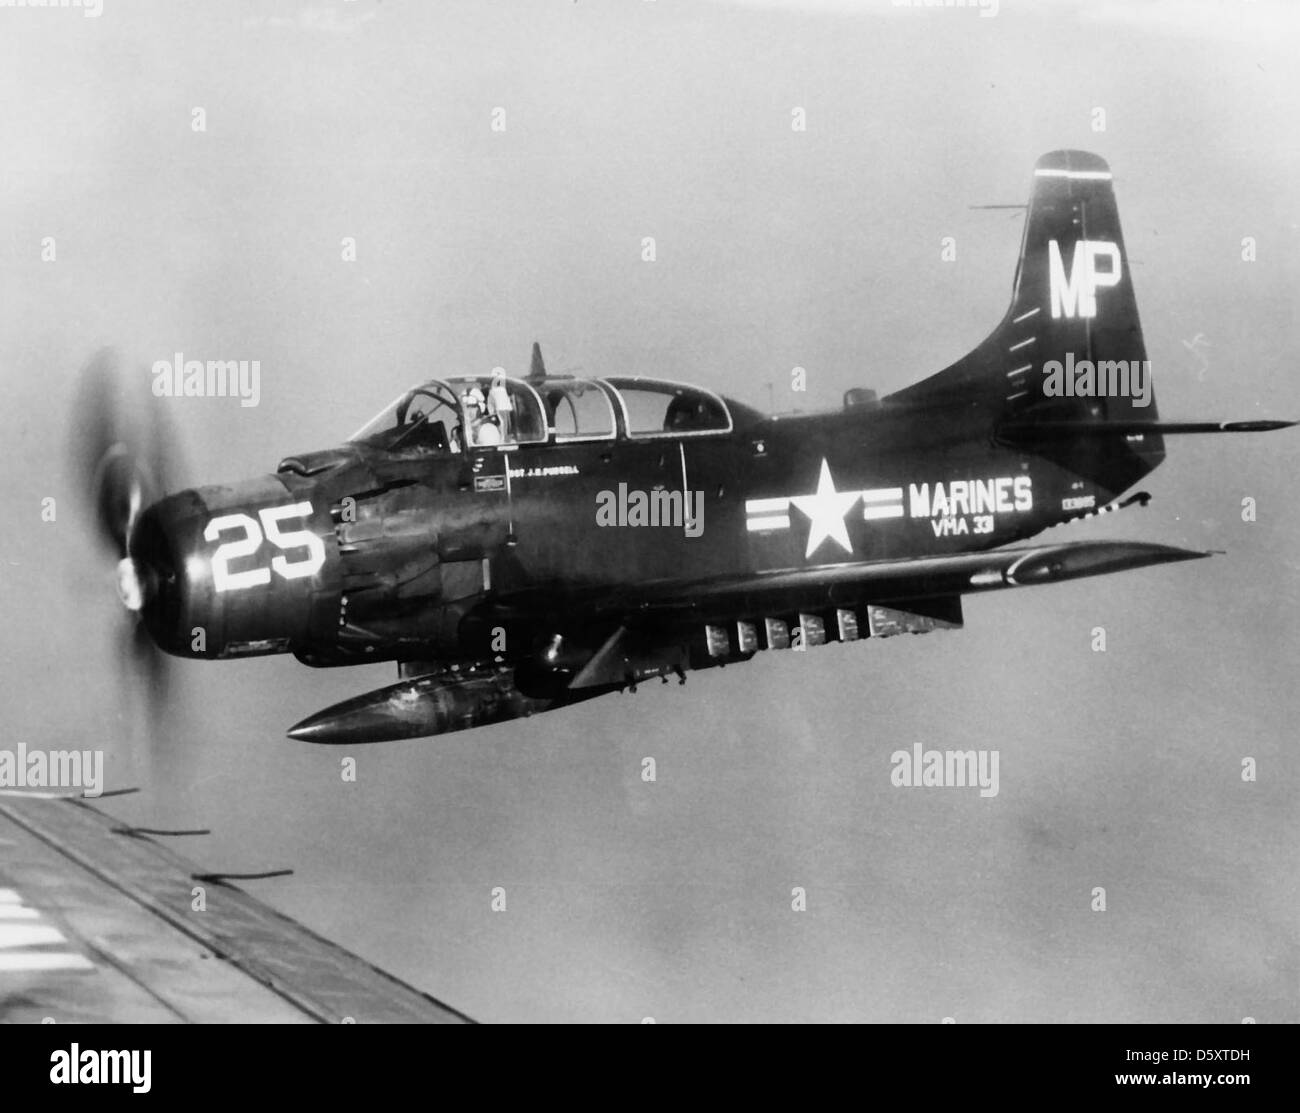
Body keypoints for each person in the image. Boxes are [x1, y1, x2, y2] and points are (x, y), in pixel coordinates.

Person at [487, 371, 514, 440]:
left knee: (503, 423)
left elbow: (490, 404)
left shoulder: (494, 391)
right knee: (504, 423)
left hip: (501, 410)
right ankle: (504, 438)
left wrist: (492, 413)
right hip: (503, 410)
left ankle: (504, 438)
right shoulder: (499, 390)